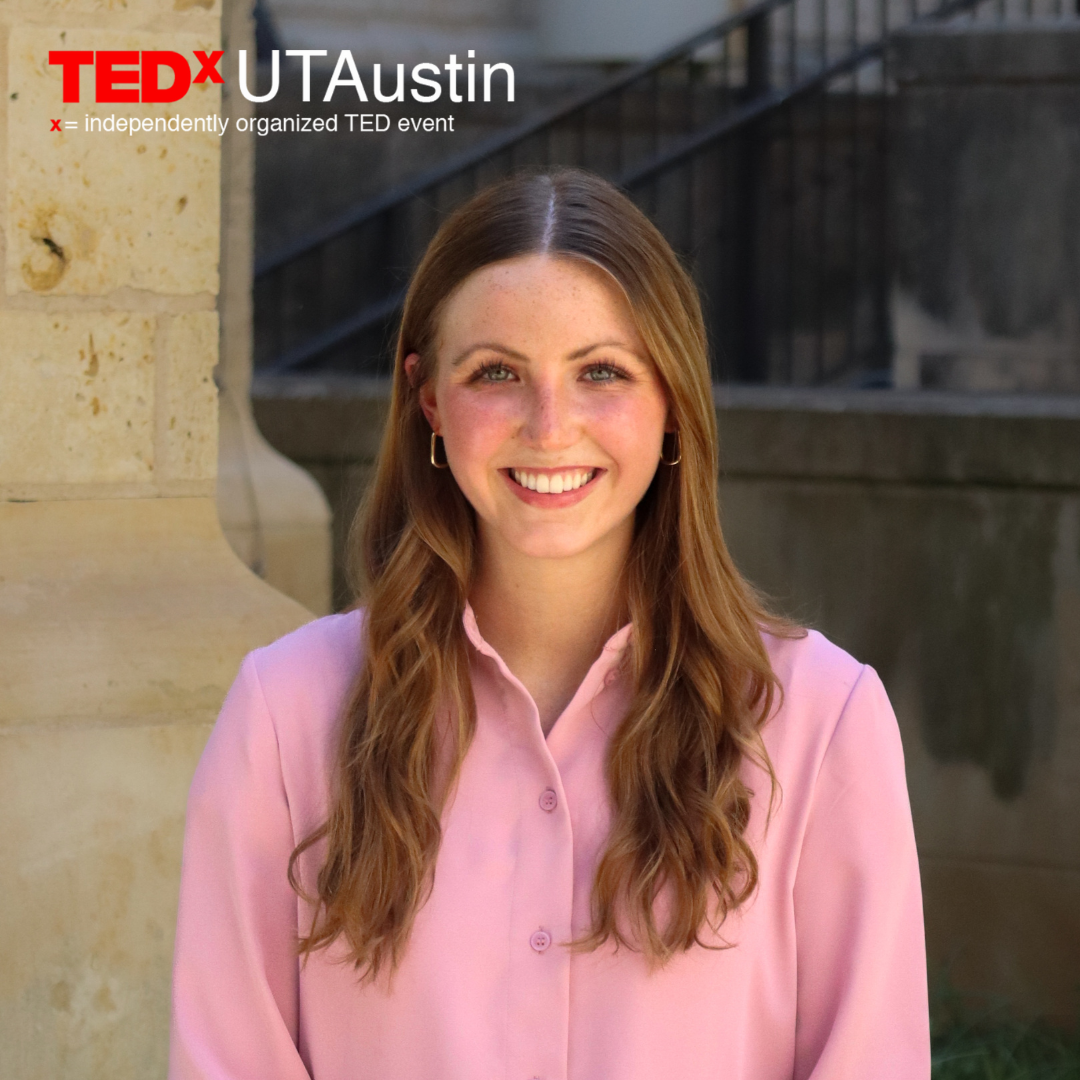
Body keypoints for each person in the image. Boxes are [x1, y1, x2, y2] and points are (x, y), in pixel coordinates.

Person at [169, 169, 929, 1079]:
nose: (550, 425)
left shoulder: (821, 721)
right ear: (429, 404)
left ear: (674, 401)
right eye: (496, 373)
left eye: (601, 371)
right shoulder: (286, 715)